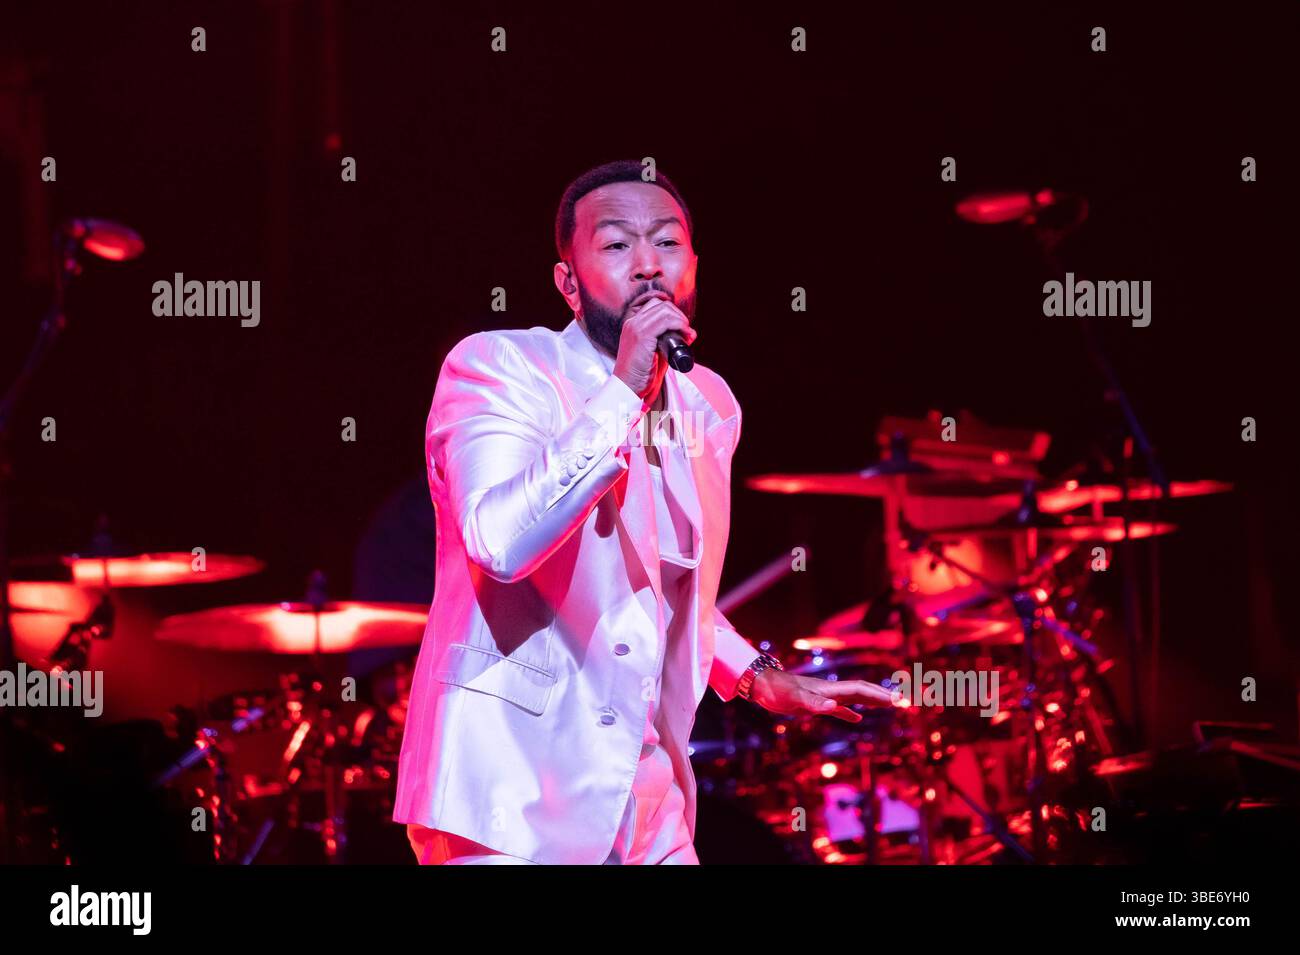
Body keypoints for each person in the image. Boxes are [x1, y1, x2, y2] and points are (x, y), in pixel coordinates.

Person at [394, 160, 893, 864]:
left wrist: (759, 677)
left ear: (695, 267)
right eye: (618, 245)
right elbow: (499, 540)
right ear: (568, 282)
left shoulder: (708, 404)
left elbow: (658, 586)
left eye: (666, 243)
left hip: (648, 799)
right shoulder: (501, 367)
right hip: (508, 795)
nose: (648, 266)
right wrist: (623, 390)